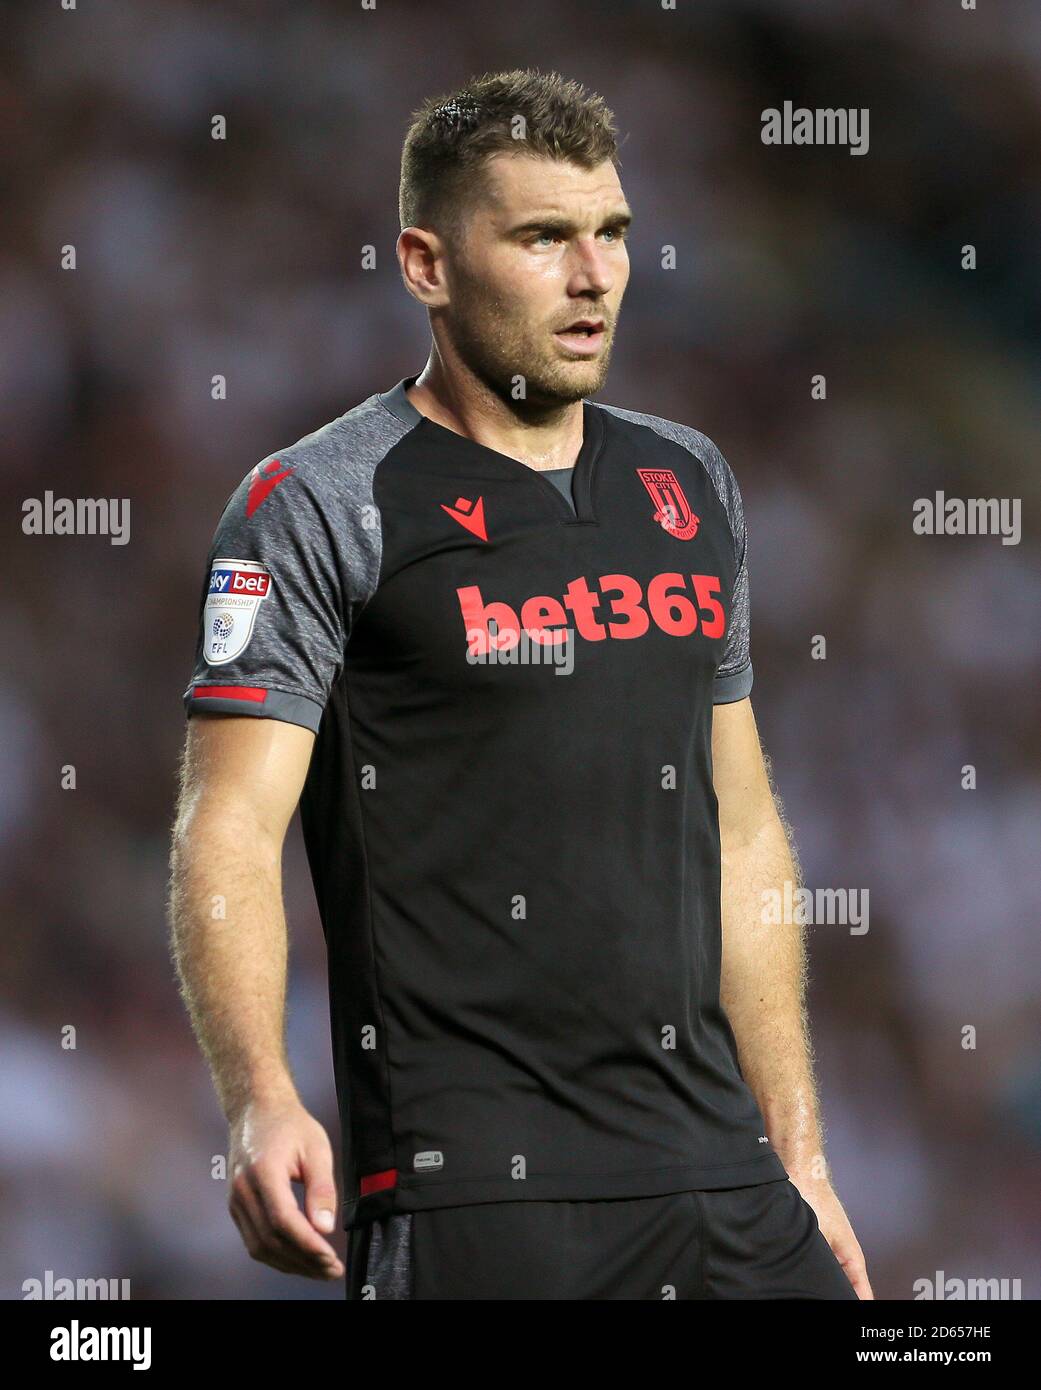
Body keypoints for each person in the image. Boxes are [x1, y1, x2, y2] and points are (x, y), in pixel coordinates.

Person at [169, 68, 870, 1300]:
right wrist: (260, 1097)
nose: (594, 275)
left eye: (611, 234)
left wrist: (800, 1154)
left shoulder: (689, 482)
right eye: (544, 237)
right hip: (479, 1197)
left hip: (723, 1180)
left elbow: (745, 831)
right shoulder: (321, 504)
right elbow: (228, 823)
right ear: (427, 266)